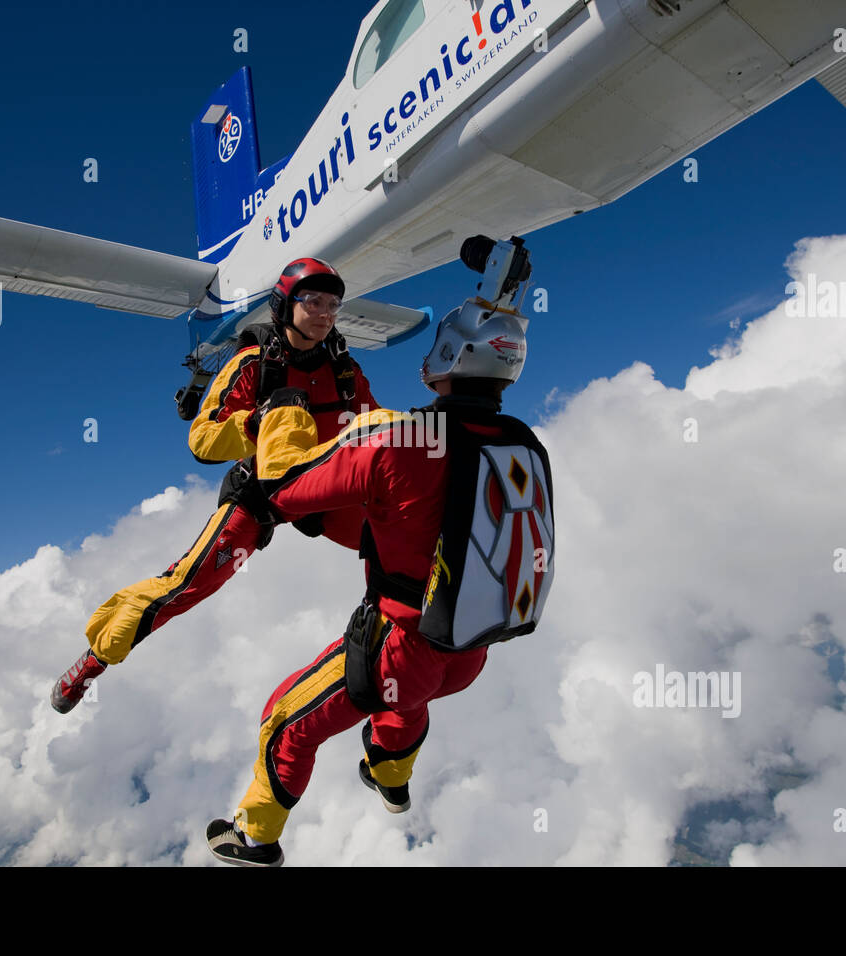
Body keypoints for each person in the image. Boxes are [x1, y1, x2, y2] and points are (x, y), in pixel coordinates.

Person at [205, 297, 555, 866]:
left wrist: (285, 410)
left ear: (448, 355)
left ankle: (256, 840)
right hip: (472, 644)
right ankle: (392, 781)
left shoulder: (396, 437)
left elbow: (286, 486)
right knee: (404, 705)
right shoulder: (522, 441)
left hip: (399, 648)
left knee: (283, 723)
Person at [50, 257, 379, 714]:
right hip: (261, 495)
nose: (325, 313)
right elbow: (202, 441)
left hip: (321, 490)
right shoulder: (254, 362)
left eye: (334, 305)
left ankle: (396, 645)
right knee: (185, 586)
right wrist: (256, 421)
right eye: (313, 301)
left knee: (403, 534)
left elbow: (372, 429)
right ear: (285, 305)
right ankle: (95, 659)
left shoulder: (344, 370)